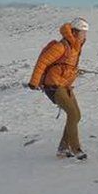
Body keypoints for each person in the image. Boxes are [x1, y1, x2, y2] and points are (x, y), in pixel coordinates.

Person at [28, 17, 89, 160]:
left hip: (65, 85)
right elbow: (42, 62)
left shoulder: (75, 47)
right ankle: (75, 149)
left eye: (86, 33)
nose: (85, 35)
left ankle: (62, 149)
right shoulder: (61, 46)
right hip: (53, 86)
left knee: (77, 115)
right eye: (83, 32)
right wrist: (34, 82)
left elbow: (65, 65)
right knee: (73, 114)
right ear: (74, 32)